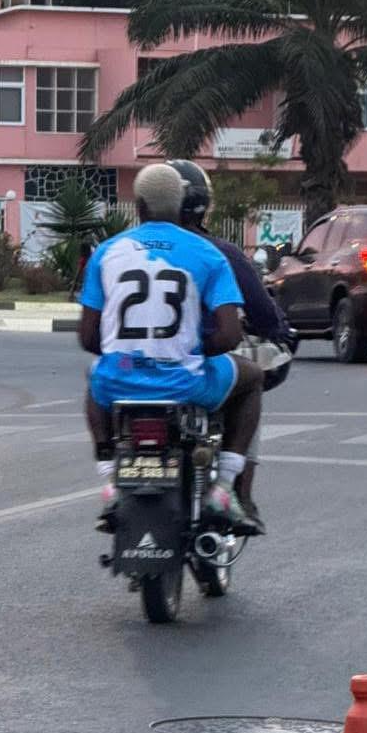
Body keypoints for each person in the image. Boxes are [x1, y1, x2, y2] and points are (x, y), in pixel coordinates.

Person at [78, 163, 263, 536]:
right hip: (185, 385)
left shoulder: (108, 252)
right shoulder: (208, 255)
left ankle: (109, 477)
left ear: (139, 206)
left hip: (120, 382)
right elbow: (229, 335)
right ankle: (225, 487)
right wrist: (189, 348)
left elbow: (88, 337)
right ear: (181, 206)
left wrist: (125, 352)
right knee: (253, 377)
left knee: (95, 373)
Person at [167, 159, 294, 530]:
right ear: (202, 204)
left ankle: (112, 476)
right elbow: (249, 322)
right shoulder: (217, 253)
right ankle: (235, 490)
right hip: (195, 369)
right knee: (251, 379)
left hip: (134, 369)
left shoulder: (121, 250)